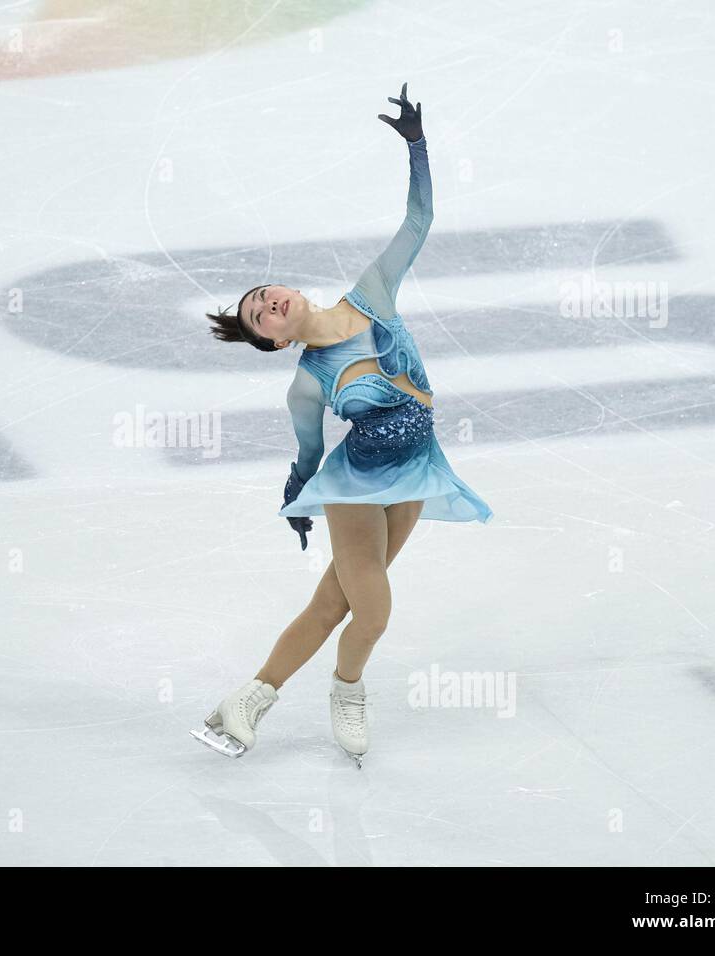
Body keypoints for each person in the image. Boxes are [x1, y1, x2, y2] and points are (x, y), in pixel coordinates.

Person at [195, 83, 493, 766]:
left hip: (419, 465)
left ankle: (248, 700)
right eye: (260, 316)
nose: (269, 303)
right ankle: (348, 691)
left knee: (335, 604)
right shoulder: (308, 382)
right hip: (359, 486)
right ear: (274, 342)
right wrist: (298, 503)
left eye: (264, 295)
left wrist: (418, 147)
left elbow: (418, 221)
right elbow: (307, 454)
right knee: (376, 613)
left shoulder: (373, 292)